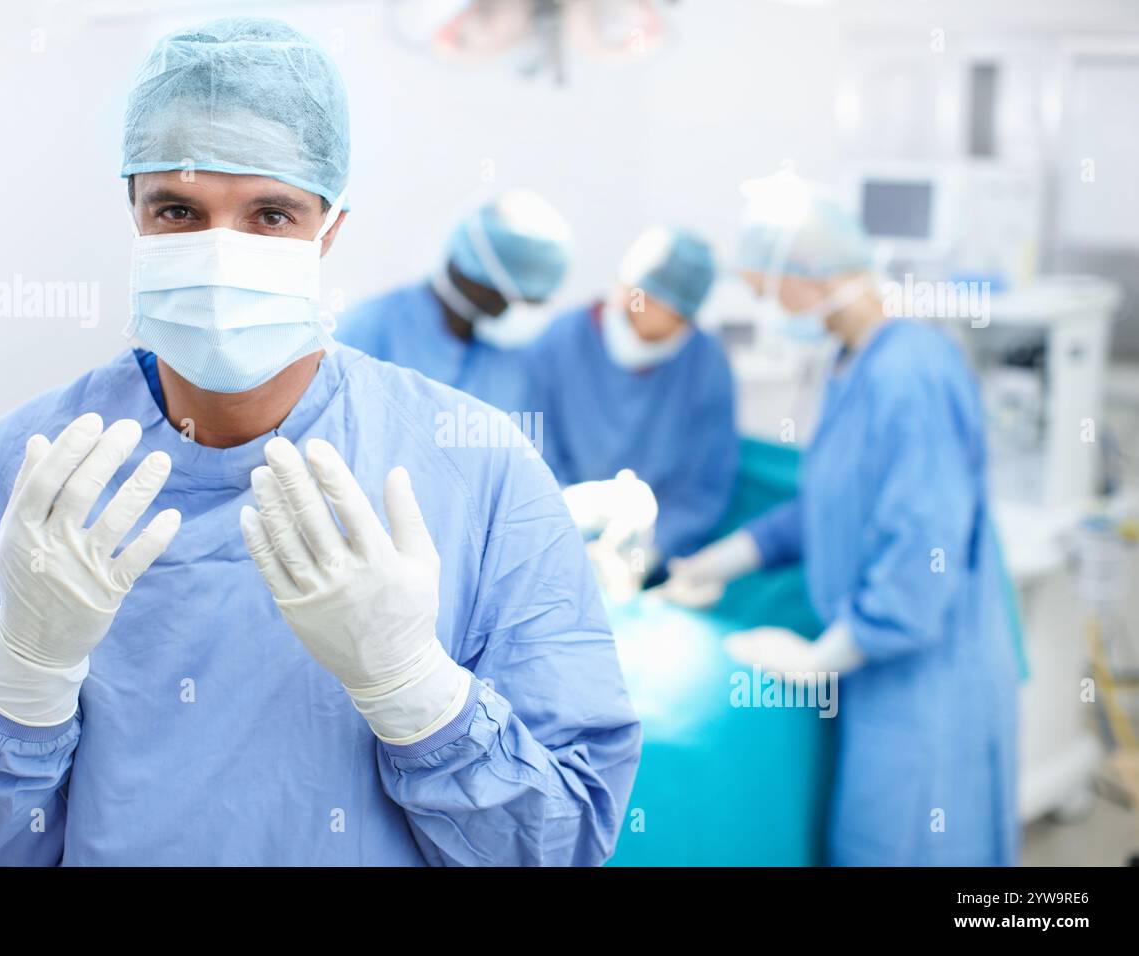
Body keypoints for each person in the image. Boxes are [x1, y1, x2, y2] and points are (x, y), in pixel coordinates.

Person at [0, 16, 640, 867]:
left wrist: (417, 692)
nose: (219, 249)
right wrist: (24, 676)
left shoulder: (480, 472)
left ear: (330, 228)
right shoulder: (28, 471)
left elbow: (558, 848)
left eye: (271, 213)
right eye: (178, 210)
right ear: (133, 213)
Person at [661, 173, 1019, 866]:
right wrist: (723, 559)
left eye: (767, 287)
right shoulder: (848, 361)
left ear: (808, 276)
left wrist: (821, 656)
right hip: (880, 674)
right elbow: (832, 502)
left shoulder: (910, 373)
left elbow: (921, 552)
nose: (767, 304)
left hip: (926, 687)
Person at [526, 226, 738, 584]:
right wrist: (572, 531)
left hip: (650, 567)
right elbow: (529, 460)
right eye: (635, 319)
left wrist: (645, 554)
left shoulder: (705, 363)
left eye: (660, 335)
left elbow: (702, 489)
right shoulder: (557, 345)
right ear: (625, 290)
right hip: (551, 548)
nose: (642, 340)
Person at [335, 190, 571, 412]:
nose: (529, 313)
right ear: (476, 282)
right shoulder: (369, 331)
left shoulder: (508, 358)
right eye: (525, 301)